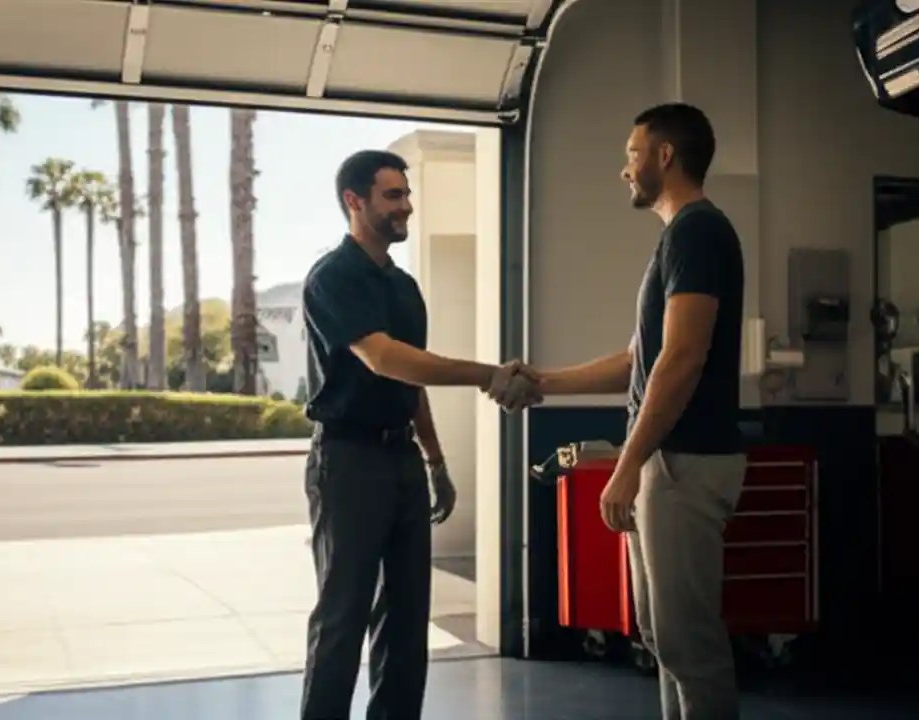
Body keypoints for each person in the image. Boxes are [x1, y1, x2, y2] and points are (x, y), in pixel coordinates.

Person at [499, 103, 746, 720]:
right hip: (667, 458)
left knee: (689, 644)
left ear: (665, 155)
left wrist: (628, 463)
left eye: (632, 154)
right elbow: (638, 362)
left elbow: (683, 358)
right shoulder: (678, 239)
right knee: (664, 638)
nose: (625, 169)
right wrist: (543, 382)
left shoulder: (697, 232)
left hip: (684, 459)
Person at [299, 149, 537, 720]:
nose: (406, 206)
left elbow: (412, 379)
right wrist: (487, 374)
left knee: (407, 620)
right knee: (343, 616)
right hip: (348, 461)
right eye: (392, 196)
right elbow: (385, 359)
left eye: (407, 194)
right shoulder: (332, 278)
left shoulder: (404, 287)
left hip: (401, 458)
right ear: (354, 201)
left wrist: (435, 461)